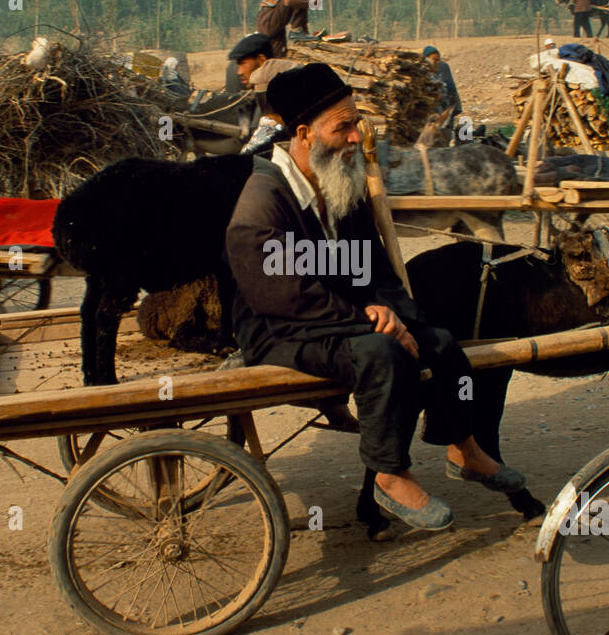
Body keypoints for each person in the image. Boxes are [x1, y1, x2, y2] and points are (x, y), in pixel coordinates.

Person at [224, 63, 526, 531]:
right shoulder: (262, 202)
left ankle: (462, 447)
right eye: (342, 127)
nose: (355, 138)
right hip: (281, 329)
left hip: (339, 318)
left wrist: (400, 316)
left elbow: (377, 269)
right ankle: (389, 474)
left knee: (440, 340)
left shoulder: (338, 182)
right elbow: (285, 296)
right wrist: (370, 320)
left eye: (356, 123)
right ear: (303, 134)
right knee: (382, 354)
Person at [422, 45, 462, 123]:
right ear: (425, 59)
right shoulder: (421, 75)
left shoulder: (440, 72)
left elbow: (451, 89)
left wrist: (457, 107)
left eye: (438, 60)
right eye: (434, 59)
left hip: (443, 112)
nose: (437, 62)